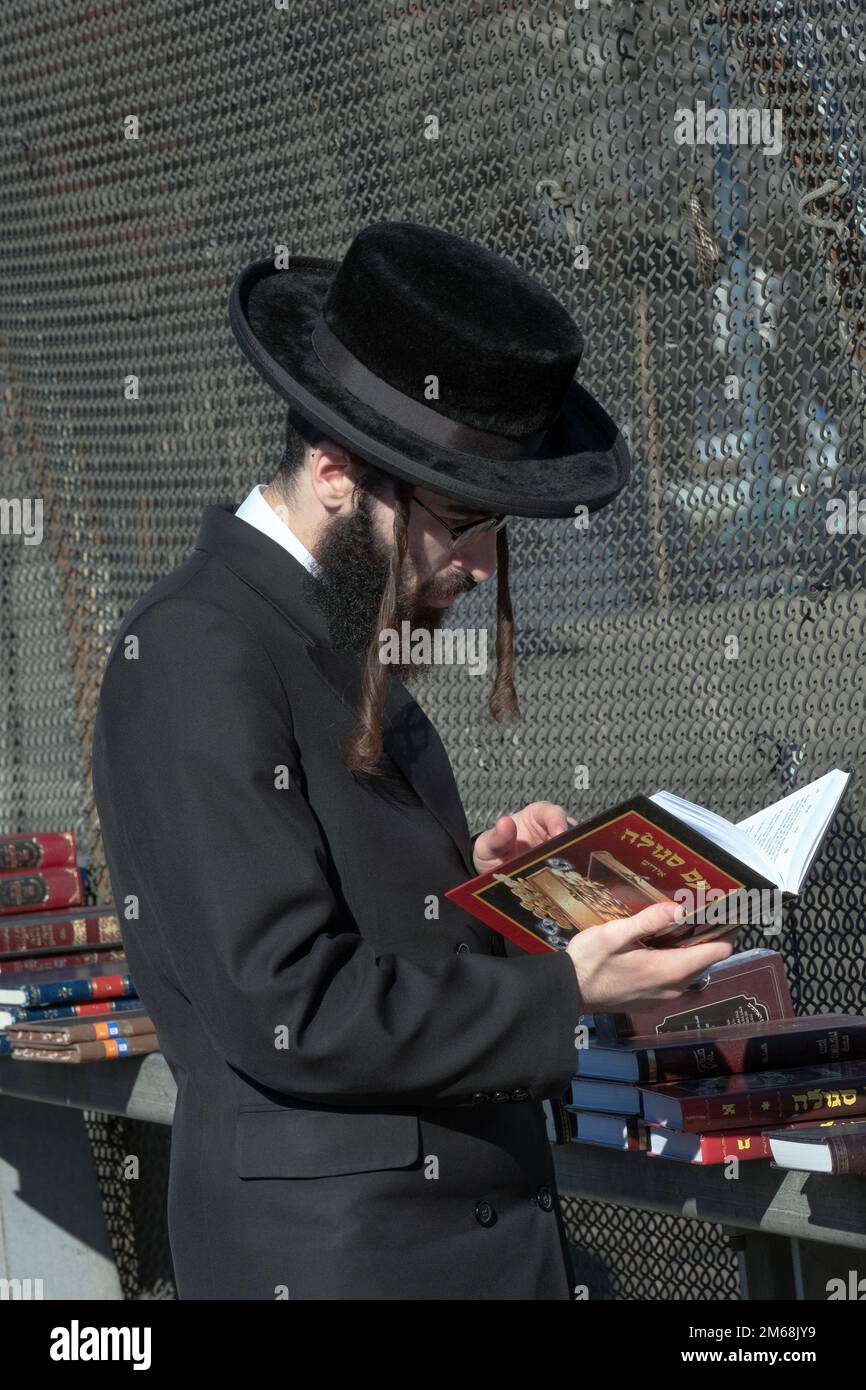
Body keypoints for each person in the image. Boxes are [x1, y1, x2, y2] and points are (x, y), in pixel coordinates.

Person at [91, 220, 733, 1300]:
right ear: (336, 470)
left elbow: (353, 917)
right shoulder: (198, 651)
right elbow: (289, 1004)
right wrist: (559, 989)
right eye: (461, 520)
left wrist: (498, 898)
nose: (481, 565)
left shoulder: (320, 632)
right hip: (340, 1262)